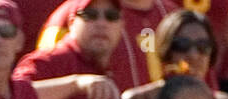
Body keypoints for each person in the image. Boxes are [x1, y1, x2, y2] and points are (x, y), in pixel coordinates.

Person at [39, 0, 181, 94]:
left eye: (111, 16)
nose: (102, 23)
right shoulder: (73, 15)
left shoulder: (176, 16)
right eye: (93, 16)